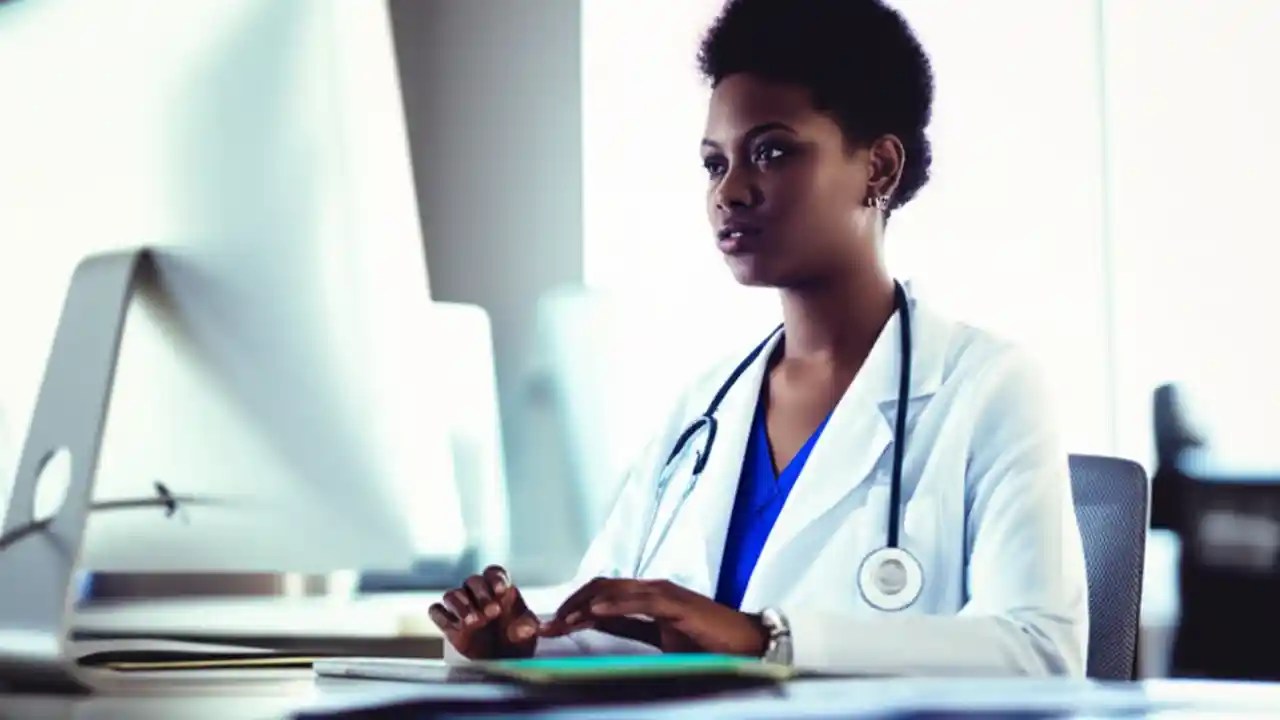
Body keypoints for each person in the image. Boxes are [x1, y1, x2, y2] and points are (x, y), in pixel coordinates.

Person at [429, 0, 1088, 676]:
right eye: (715, 164)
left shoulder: (986, 387)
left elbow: (1038, 651)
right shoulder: (704, 406)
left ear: (879, 169)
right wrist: (523, 641)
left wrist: (764, 638)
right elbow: (609, 621)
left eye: (772, 152)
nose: (731, 191)